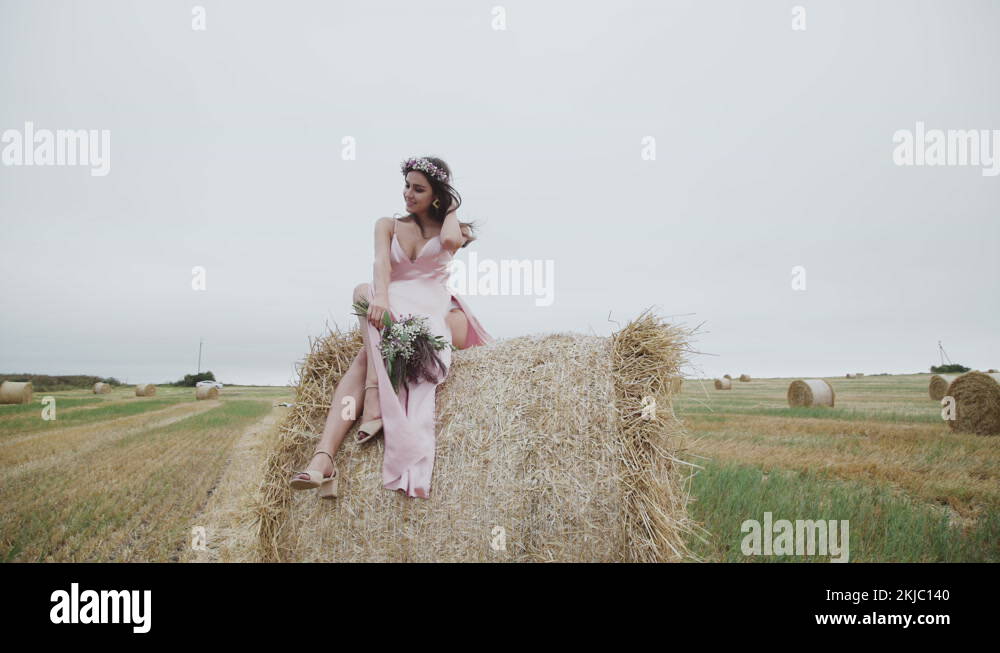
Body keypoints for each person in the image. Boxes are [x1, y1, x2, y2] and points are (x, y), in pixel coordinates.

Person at [289, 156, 494, 499]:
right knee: (362, 293)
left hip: (431, 311)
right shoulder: (387, 224)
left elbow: (449, 243)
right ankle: (323, 456)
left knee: (363, 361)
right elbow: (381, 264)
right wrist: (380, 297)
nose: (408, 194)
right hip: (392, 305)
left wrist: (452, 206)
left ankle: (333, 449)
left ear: (438, 194)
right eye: (406, 186)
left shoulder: (453, 231)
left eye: (419, 189)